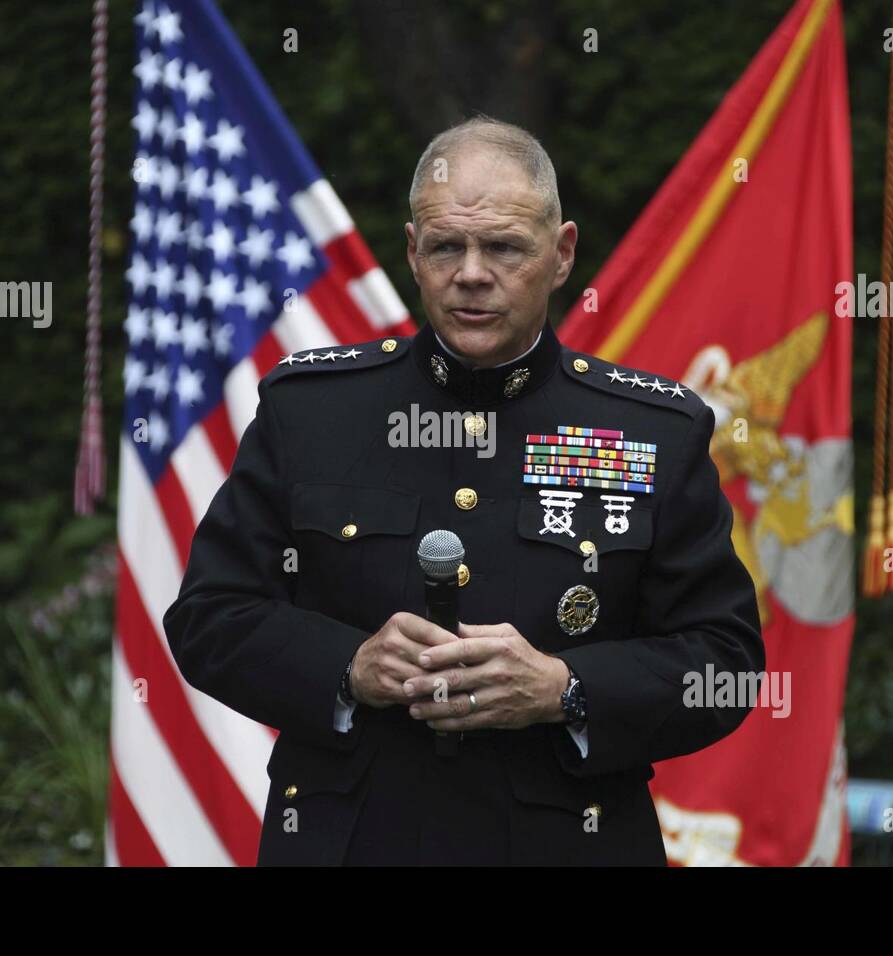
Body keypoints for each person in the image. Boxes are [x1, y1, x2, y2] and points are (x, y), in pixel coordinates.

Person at [164, 115, 764, 866]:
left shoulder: (652, 430)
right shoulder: (312, 410)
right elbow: (209, 618)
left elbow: (726, 663)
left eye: (504, 247)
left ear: (561, 254)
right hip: (354, 841)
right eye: (447, 245)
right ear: (413, 254)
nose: (472, 272)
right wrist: (350, 667)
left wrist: (566, 687)